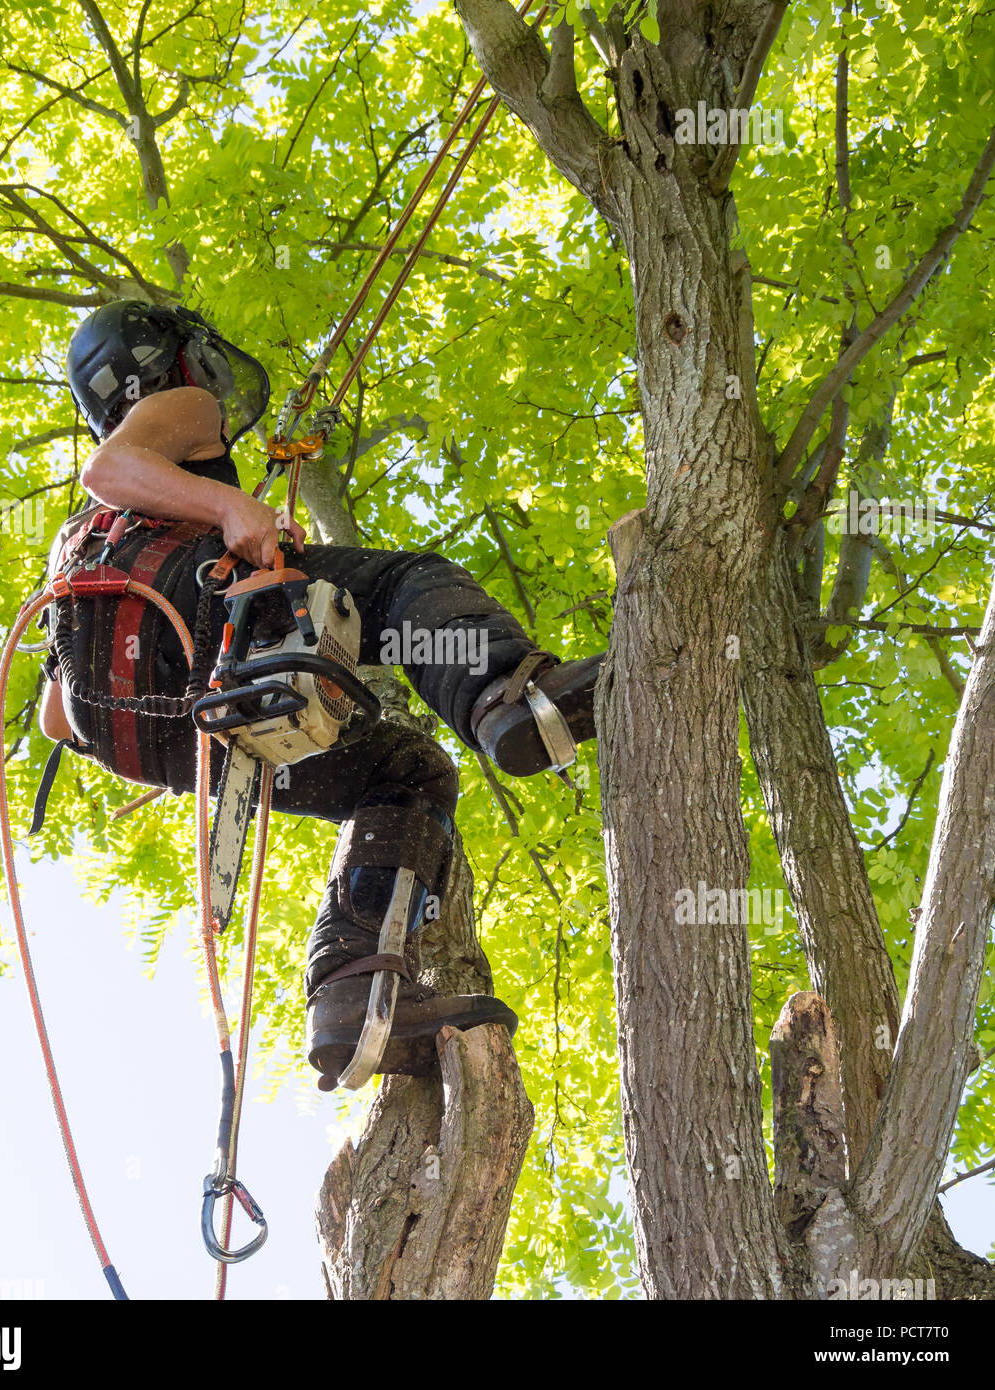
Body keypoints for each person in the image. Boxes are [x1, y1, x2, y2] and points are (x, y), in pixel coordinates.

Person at [40, 300, 602, 1086]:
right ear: (162, 362)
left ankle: (352, 992)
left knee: (405, 773)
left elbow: (55, 716)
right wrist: (231, 504)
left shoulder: (76, 549)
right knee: (412, 581)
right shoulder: (183, 409)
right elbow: (106, 470)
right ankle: (505, 693)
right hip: (209, 635)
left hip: (157, 736)